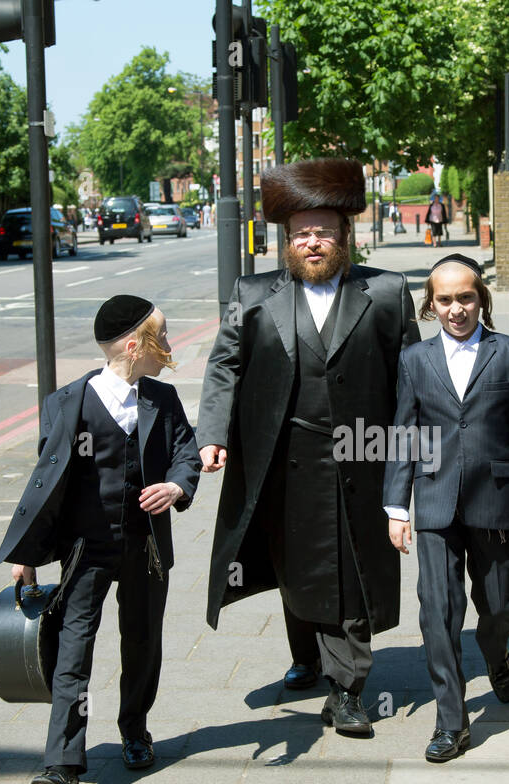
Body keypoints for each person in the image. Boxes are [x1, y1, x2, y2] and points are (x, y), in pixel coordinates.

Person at [197, 157, 420, 736]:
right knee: (295, 565)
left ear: (345, 235)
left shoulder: (388, 291)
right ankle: (308, 654)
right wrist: (214, 434)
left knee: (349, 571)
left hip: (362, 456)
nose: (313, 242)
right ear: (287, 241)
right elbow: (225, 366)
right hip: (282, 458)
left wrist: (416, 458)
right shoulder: (252, 294)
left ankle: (347, 691)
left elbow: (411, 379)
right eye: (302, 234)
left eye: (324, 231)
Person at [0, 295, 202, 784]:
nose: (171, 346)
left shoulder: (163, 399)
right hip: (85, 549)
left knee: (141, 643)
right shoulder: (66, 403)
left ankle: (135, 730)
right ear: (136, 346)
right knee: (73, 649)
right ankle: (61, 766)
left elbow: (186, 455)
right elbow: (46, 483)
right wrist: (27, 553)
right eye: (164, 335)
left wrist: (177, 488)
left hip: (146, 548)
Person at [384, 253, 509, 762]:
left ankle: (497, 652)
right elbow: (404, 434)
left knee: (500, 605)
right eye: (445, 300)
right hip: (434, 501)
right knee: (437, 613)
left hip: (496, 500)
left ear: (482, 299)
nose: (456, 308)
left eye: (466, 297)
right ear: (430, 306)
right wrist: (396, 504)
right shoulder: (415, 360)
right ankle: (451, 723)